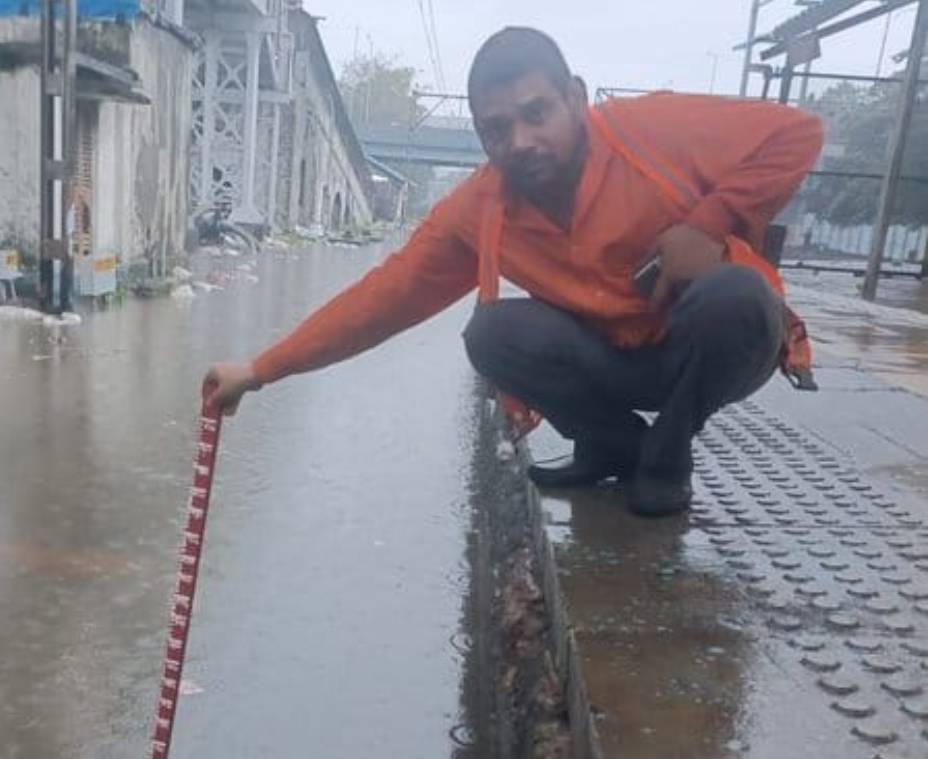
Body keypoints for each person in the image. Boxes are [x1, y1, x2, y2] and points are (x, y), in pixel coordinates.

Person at [204, 27, 824, 517]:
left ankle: (667, 452)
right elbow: (381, 299)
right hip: (611, 365)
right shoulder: (480, 207)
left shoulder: (652, 132)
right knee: (491, 333)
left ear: (575, 99)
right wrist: (260, 371)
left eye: (537, 114)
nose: (521, 141)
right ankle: (613, 445)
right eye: (497, 129)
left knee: (737, 294)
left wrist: (709, 222)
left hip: (712, 350)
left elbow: (798, 134)